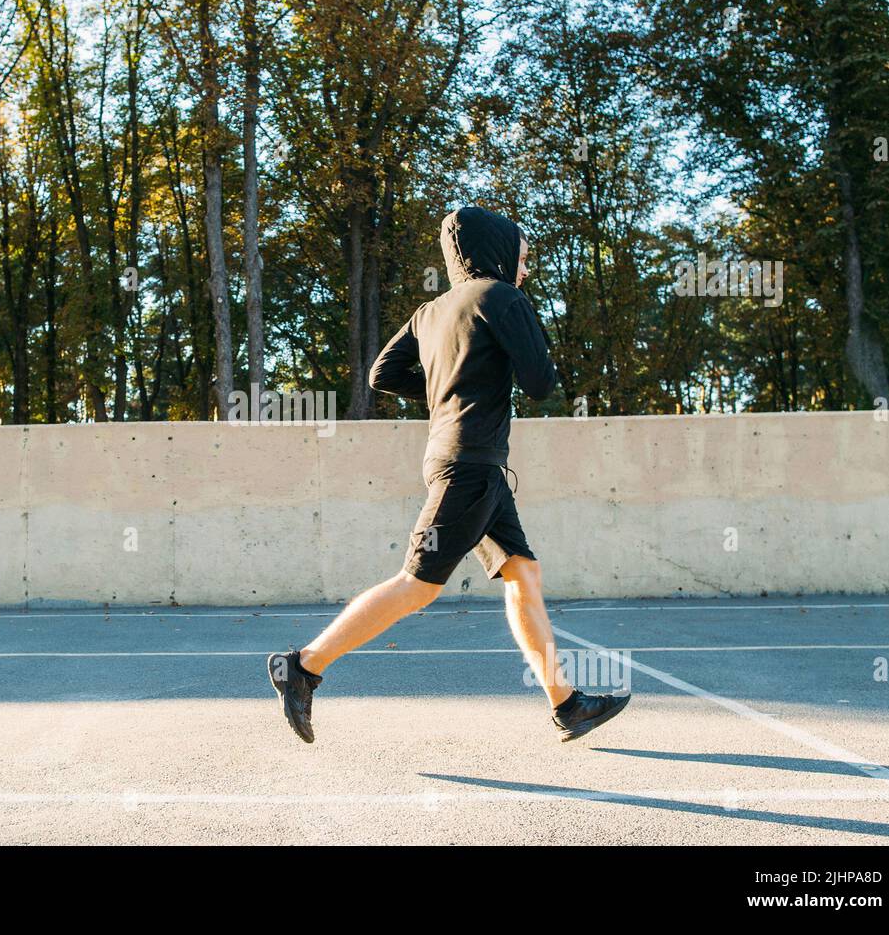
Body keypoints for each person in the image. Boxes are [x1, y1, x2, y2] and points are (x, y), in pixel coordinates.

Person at [268, 206, 630, 744]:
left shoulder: (430, 311)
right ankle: (304, 665)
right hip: (469, 466)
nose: (525, 271)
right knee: (417, 584)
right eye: (522, 260)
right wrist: (511, 341)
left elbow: (382, 374)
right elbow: (539, 381)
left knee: (523, 574)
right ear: (500, 253)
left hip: (467, 461)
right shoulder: (501, 297)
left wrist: (445, 393)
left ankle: (568, 704)